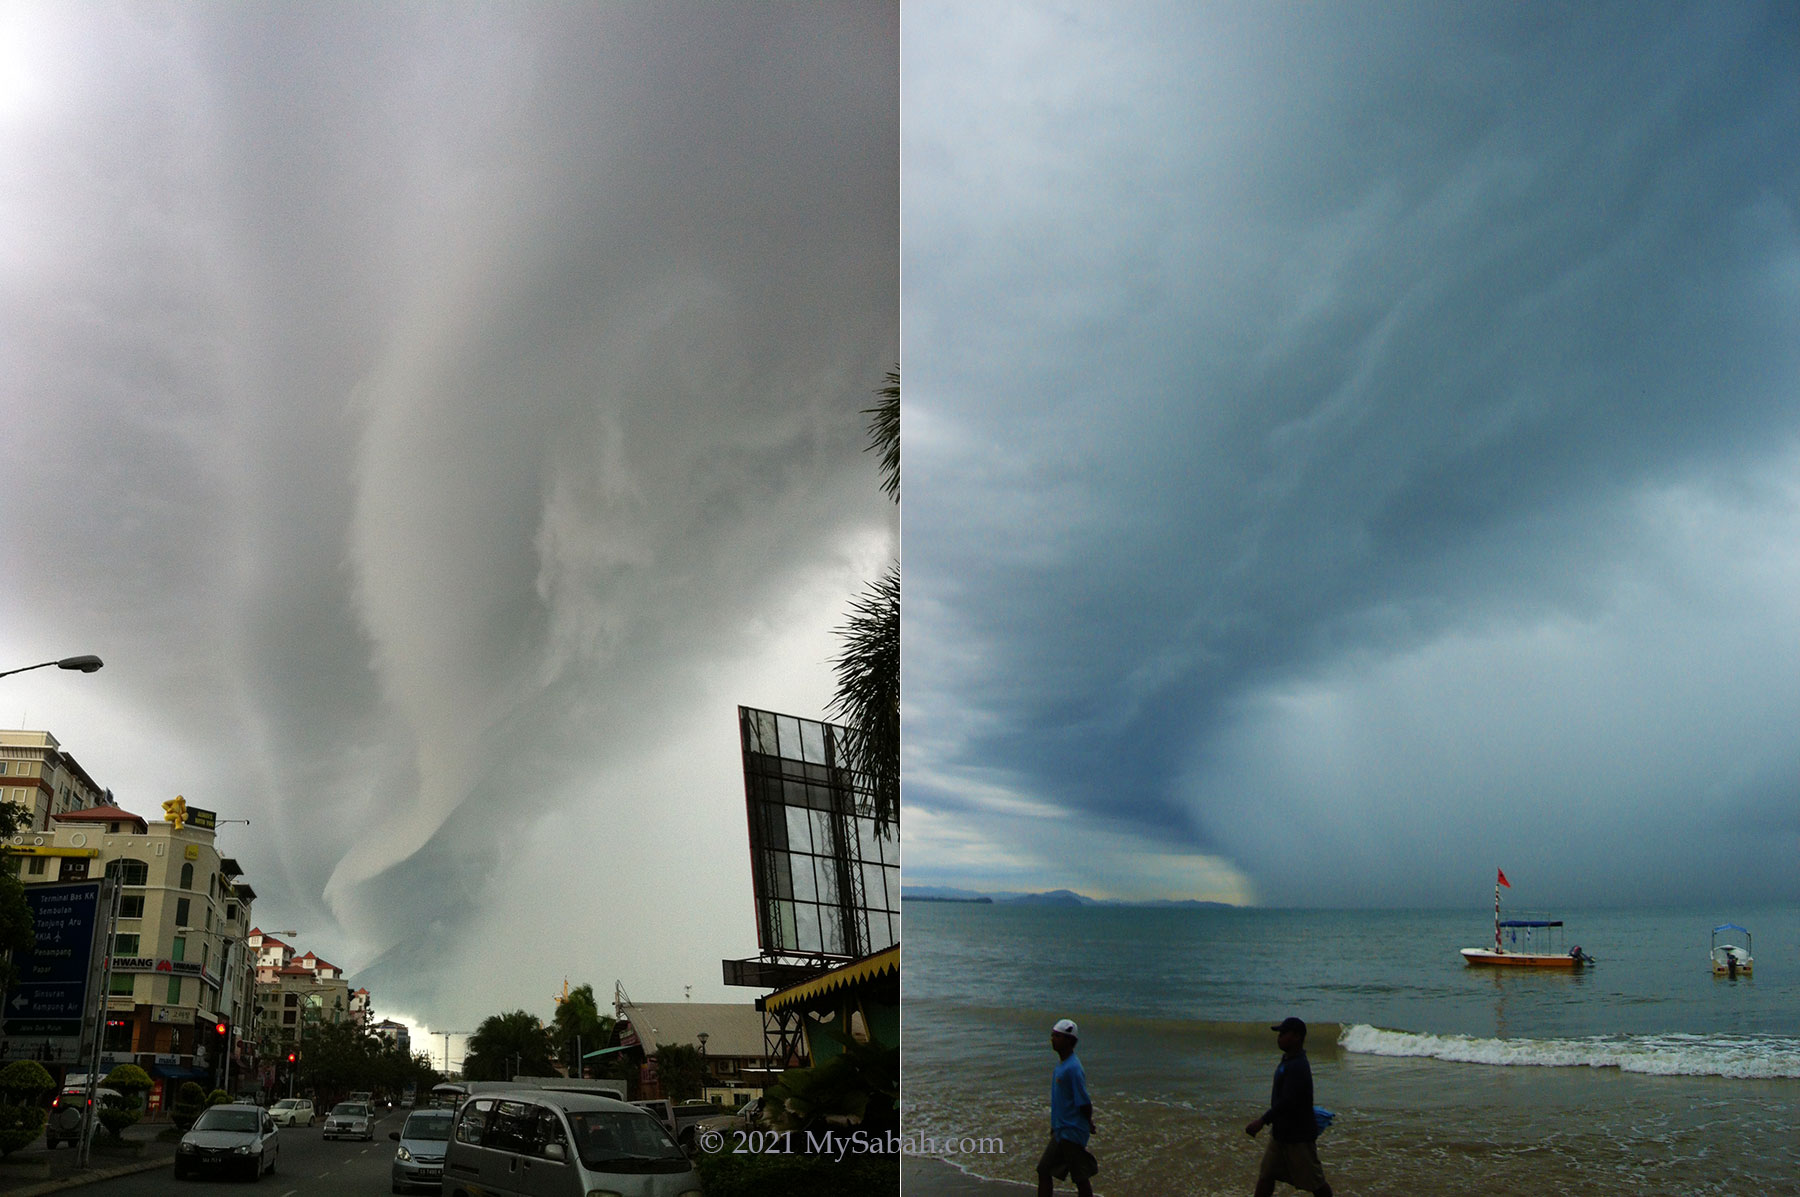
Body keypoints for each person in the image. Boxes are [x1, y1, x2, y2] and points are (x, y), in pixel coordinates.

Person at [1244, 1016, 1332, 1197]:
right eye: (1279, 1033)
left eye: (1284, 1033)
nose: (1279, 1037)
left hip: (1298, 1137)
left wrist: (1262, 1121)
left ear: (1297, 1037)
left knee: (1316, 1183)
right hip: (1280, 1134)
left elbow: (1288, 1101)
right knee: (1266, 1175)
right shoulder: (1288, 1060)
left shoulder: (1298, 1066)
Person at [1037, 1018, 1097, 1197]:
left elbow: (1084, 1102)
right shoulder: (1062, 1065)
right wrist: (1054, 1126)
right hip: (1062, 1130)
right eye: (1052, 1035)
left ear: (1070, 1041)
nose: (1053, 1039)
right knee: (1046, 1171)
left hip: (1071, 1132)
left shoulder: (1073, 1068)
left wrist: (1088, 1123)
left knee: (1079, 1177)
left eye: (1057, 1036)